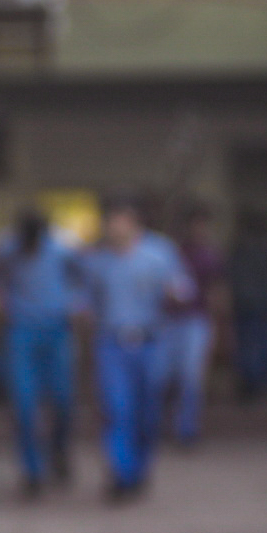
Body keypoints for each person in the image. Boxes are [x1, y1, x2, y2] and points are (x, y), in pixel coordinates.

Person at [82, 197, 193, 499]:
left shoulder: (159, 252)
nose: (114, 227)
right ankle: (121, 473)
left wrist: (174, 292)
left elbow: (184, 287)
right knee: (117, 410)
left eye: (120, 221)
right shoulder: (97, 259)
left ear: (133, 222)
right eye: (110, 221)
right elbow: (85, 299)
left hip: (150, 342)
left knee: (147, 413)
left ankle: (140, 470)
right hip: (111, 343)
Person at [0, 206, 83, 496]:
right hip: (21, 333)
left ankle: (59, 451)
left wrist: (76, 303)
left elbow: (84, 279)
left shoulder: (63, 249)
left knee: (63, 400)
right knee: (24, 405)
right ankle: (32, 471)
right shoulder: (7, 249)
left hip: (57, 331)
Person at [163, 205, 224, 445]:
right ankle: (163, 422)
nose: (200, 230)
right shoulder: (170, 252)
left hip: (196, 320)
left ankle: (186, 428)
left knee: (191, 376)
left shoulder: (211, 255)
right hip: (168, 321)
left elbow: (217, 291)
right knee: (164, 376)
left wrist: (219, 326)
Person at [226, 211, 267, 401]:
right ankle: (257, 382)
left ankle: (255, 383)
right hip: (257, 302)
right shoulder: (263, 249)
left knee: (255, 343)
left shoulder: (246, 249)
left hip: (254, 302)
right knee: (261, 342)